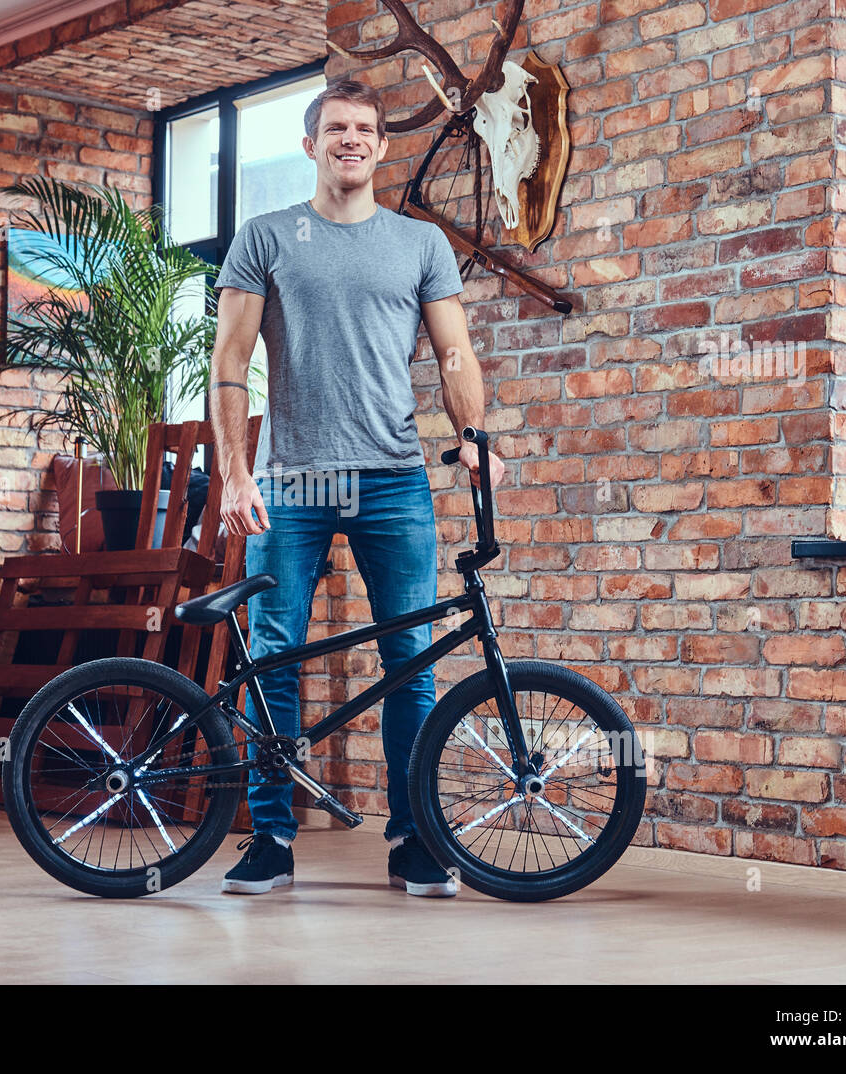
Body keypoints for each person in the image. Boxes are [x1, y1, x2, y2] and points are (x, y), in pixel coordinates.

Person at [208, 79, 506, 897]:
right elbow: (230, 359)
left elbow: (454, 353)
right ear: (311, 145)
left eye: (365, 129)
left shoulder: (419, 244)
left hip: (393, 480)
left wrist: (473, 438)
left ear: (380, 145)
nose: (351, 139)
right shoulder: (266, 236)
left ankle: (413, 838)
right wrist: (234, 471)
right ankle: (271, 837)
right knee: (275, 654)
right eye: (335, 127)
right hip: (293, 481)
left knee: (410, 659)